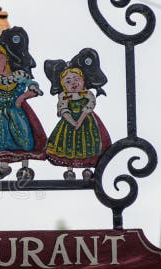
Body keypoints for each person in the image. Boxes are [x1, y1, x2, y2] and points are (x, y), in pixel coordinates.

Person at [0, 26, 47, 181]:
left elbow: (34, 88)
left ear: (6, 57)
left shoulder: (19, 76)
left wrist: (21, 98)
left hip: (17, 113)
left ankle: (25, 168)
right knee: (0, 139)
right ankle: (4, 167)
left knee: (24, 137)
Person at [43, 48, 112, 179]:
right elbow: (63, 109)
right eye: (68, 81)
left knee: (89, 144)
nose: (73, 83)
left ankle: (87, 169)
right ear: (63, 85)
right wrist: (71, 121)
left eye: (76, 79)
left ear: (83, 80)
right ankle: (69, 170)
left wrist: (80, 120)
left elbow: (90, 105)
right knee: (68, 145)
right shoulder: (65, 96)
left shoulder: (87, 94)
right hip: (69, 124)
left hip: (87, 122)